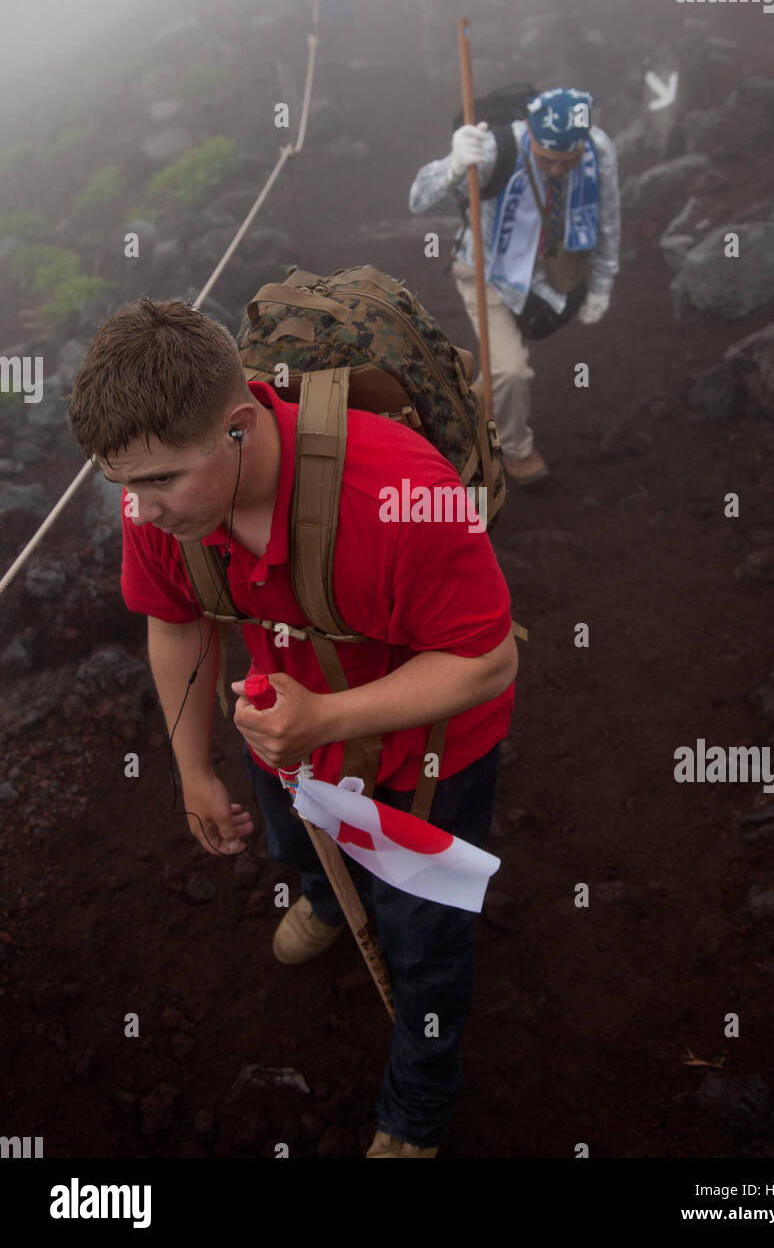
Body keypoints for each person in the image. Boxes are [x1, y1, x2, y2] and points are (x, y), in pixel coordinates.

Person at [66, 298, 519, 1159]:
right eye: (122, 483)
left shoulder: (400, 494)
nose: (142, 509)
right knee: (296, 841)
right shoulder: (161, 511)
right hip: (287, 732)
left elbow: (488, 659)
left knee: (424, 939)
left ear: (239, 427)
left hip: (426, 753)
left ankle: (418, 1111)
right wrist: (192, 767)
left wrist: (330, 719)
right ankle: (320, 896)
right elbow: (176, 619)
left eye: (160, 479)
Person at [408, 86, 621, 484]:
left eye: (568, 162)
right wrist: (454, 165)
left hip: (545, 275)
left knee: (499, 372)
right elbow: (419, 202)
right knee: (511, 372)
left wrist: (603, 282)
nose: (557, 170)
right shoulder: (492, 150)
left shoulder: (598, 150)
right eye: (546, 160)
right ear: (532, 136)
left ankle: (453, 414)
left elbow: (607, 214)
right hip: (485, 271)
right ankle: (516, 451)